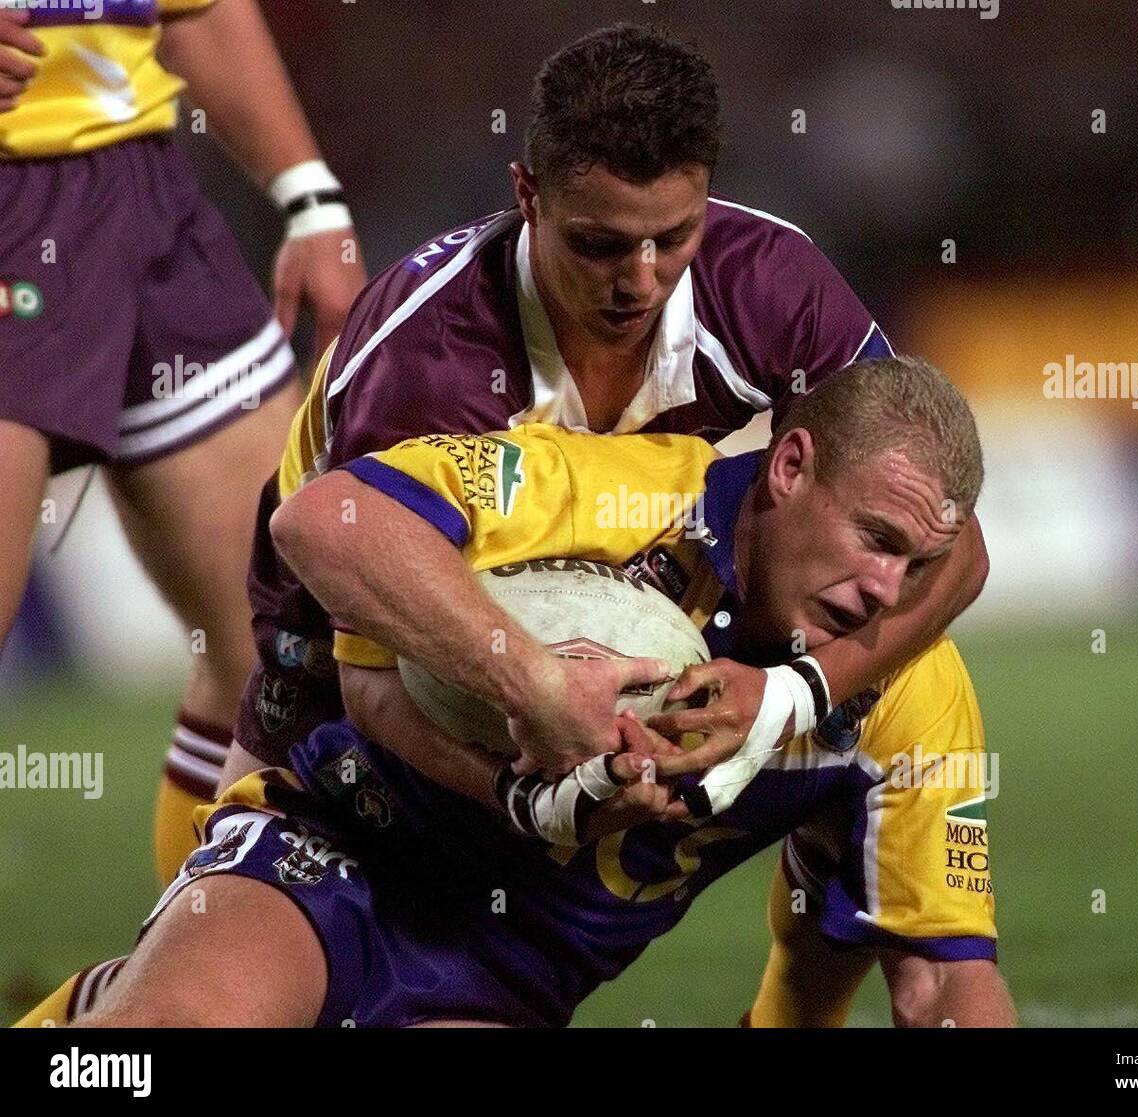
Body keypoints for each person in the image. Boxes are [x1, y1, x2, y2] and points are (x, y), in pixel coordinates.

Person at [69, 357, 1013, 1028]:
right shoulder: (624, 493)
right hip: (337, 845)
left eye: (923, 565)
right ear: (792, 465)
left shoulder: (909, 694)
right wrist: (535, 688)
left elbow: (940, 982)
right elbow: (338, 517)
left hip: (502, 979)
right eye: (878, 539)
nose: (891, 594)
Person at [221, 22, 990, 809]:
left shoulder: (772, 286)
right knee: (218, 879)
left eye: (675, 235)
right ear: (527, 195)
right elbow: (371, 682)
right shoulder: (425, 363)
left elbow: (956, 538)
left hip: (605, 585)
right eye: (600, 245)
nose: (641, 282)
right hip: (345, 622)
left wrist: (793, 694)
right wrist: (527, 796)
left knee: (900, 662)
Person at [0, 0, 367, 882]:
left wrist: (310, 198)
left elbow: (195, 5)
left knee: (279, 644)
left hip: (139, 197)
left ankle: (194, 986)